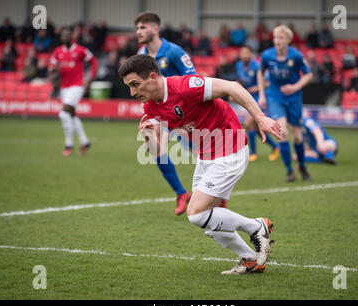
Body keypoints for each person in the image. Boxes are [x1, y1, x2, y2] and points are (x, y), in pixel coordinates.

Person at [119, 54, 282, 274]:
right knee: (210, 221)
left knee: (197, 213)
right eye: (129, 87)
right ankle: (250, 259)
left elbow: (232, 87)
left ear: (153, 77)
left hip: (230, 149)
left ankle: (257, 227)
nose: (132, 92)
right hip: (207, 157)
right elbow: (158, 152)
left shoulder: (185, 87)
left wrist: (261, 118)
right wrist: (148, 135)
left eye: (135, 84)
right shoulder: (150, 107)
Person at [134, 11, 196, 216]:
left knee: (204, 154)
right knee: (151, 141)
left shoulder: (174, 52)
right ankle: (181, 192)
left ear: (155, 29)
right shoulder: (141, 54)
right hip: (158, 111)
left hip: (184, 111)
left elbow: (192, 78)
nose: (138, 32)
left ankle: (217, 198)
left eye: (143, 27)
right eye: (137, 28)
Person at [257, 25, 313, 182]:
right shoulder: (267, 55)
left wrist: (295, 87)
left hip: (294, 98)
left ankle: (301, 166)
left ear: (288, 40)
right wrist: (262, 94)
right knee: (282, 133)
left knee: (297, 137)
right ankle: (289, 170)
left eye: (281, 38)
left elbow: (308, 75)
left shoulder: (296, 56)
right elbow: (260, 73)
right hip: (275, 97)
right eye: (275, 37)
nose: (277, 41)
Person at [49, 28, 97, 156]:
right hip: (64, 88)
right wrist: (53, 73)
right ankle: (85, 142)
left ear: (72, 37)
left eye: (67, 35)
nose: (65, 37)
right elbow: (52, 67)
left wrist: (90, 79)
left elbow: (93, 61)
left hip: (77, 86)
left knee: (63, 114)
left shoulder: (80, 50)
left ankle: (68, 144)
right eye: (63, 35)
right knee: (71, 115)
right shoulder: (58, 52)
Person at [235, 45, 279, 162]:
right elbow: (240, 81)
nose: (244, 55)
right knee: (256, 127)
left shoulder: (257, 66)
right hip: (248, 99)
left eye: (246, 53)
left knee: (248, 123)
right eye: (242, 53)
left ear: (251, 55)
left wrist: (256, 87)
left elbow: (268, 83)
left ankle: (253, 153)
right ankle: (275, 147)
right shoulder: (238, 65)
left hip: (260, 99)